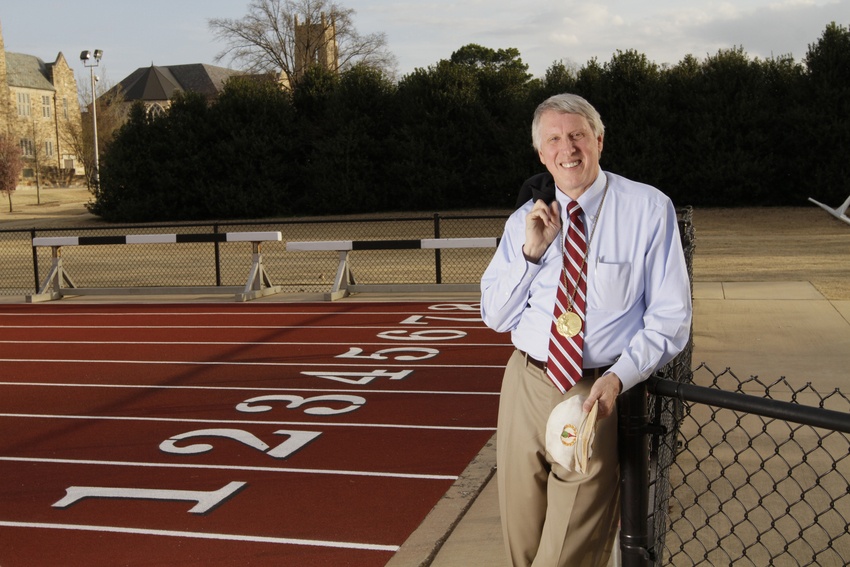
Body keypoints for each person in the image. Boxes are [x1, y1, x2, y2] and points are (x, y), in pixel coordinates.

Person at [480, 93, 692, 567]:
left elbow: (669, 317)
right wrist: (532, 254)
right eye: (554, 139)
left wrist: (619, 378)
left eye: (577, 135)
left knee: (567, 550)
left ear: (599, 140)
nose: (568, 148)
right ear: (541, 154)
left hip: (596, 388)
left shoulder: (647, 209)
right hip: (526, 382)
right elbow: (494, 315)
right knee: (522, 538)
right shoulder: (526, 219)